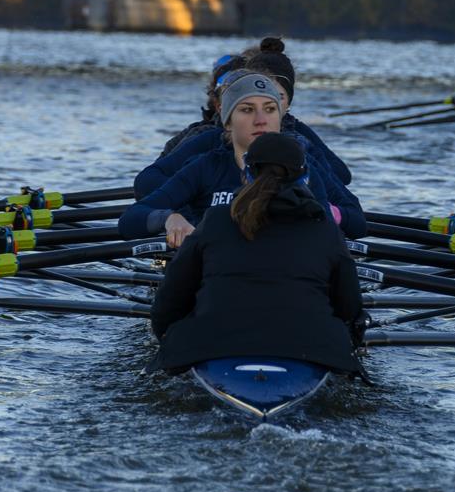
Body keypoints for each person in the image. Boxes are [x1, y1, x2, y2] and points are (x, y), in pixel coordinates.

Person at [146, 132, 365, 377]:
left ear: (246, 174)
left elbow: (170, 299)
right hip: (314, 348)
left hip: (210, 344)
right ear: (305, 177)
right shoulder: (325, 228)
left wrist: (167, 340)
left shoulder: (215, 219)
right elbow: (350, 308)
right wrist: (351, 343)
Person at [120, 72, 367, 244]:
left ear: (280, 118)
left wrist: (324, 213)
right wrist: (170, 218)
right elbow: (130, 220)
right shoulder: (206, 166)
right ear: (227, 122)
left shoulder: (303, 166)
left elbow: (357, 221)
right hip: (215, 270)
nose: (261, 120)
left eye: (270, 110)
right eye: (247, 110)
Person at [138, 38, 350, 195]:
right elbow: (149, 183)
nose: (261, 118)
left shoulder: (300, 143)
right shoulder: (206, 138)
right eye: (248, 107)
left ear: (288, 103)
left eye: (272, 104)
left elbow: (341, 180)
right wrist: (176, 210)